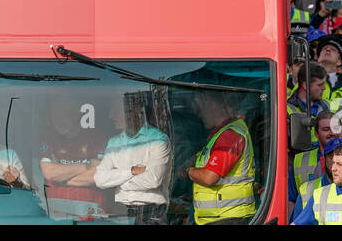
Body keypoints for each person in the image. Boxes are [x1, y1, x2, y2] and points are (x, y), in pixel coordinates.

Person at [93, 94, 172, 224]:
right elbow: (99, 179)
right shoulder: (114, 143)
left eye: (117, 111)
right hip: (121, 211)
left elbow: (153, 180)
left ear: (135, 113)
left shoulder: (158, 140)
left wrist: (116, 181)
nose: (112, 115)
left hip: (151, 212)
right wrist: (131, 171)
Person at [187, 91, 257, 225]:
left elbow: (209, 177)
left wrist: (189, 171)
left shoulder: (230, 135)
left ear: (211, 104)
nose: (198, 114)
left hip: (228, 217)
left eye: (199, 107)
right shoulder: (220, 133)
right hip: (221, 216)